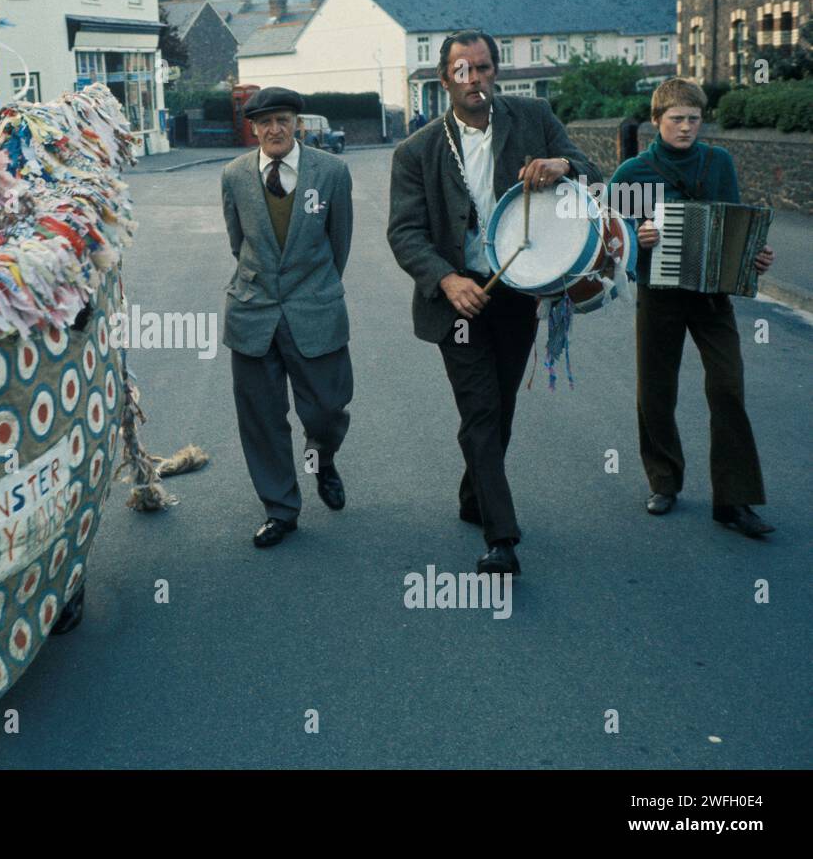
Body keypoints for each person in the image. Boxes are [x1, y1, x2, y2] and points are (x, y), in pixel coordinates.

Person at [387, 30, 600, 576]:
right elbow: (405, 233)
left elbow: (590, 170)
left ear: (495, 72)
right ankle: (501, 537)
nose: (474, 79)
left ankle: (472, 494)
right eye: (463, 71)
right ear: (445, 80)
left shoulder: (533, 116)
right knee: (480, 407)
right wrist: (445, 280)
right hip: (458, 300)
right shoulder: (416, 152)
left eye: (483, 68)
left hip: (518, 291)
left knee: (500, 406)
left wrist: (562, 166)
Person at [608, 78, 775, 537]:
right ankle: (663, 481)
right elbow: (611, 247)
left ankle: (734, 500)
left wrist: (755, 256)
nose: (686, 128)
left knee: (728, 387)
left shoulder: (718, 163)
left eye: (694, 119)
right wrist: (639, 244)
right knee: (656, 391)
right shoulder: (633, 175)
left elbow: (733, 224)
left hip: (712, 294)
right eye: (677, 119)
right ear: (656, 120)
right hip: (659, 295)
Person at [221, 86, 354, 549]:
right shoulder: (234, 176)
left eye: (283, 120)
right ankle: (281, 509)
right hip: (253, 311)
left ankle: (323, 454)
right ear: (253, 128)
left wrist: (313, 288)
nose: (275, 129)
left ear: (297, 123)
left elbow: (340, 243)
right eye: (265, 122)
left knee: (327, 408)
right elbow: (239, 244)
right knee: (261, 416)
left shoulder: (332, 172)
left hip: (315, 308)